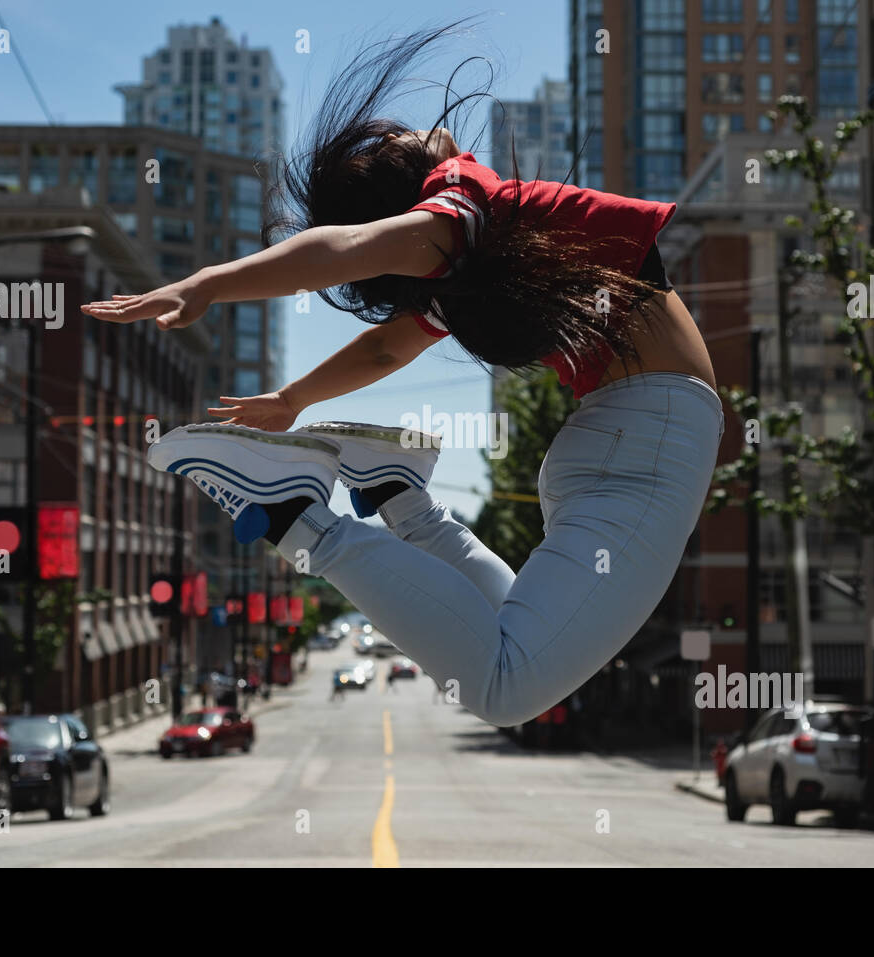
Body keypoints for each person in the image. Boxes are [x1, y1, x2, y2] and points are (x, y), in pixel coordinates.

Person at [82, 22, 723, 730]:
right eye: (400, 144)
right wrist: (209, 283)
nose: (421, 133)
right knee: (507, 688)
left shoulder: (476, 256)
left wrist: (293, 399)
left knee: (504, 632)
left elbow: (385, 350)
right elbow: (349, 248)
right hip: (651, 442)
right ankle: (303, 519)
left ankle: (398, 494)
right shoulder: (465, 210)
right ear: (413, 183)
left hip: (622, 440)